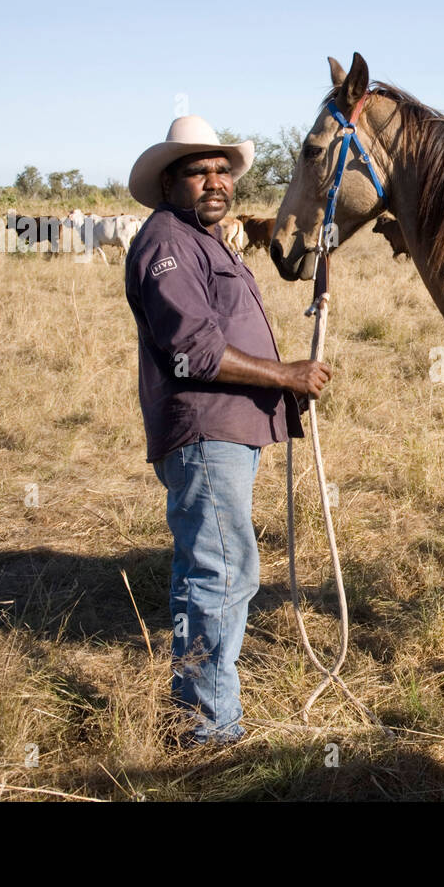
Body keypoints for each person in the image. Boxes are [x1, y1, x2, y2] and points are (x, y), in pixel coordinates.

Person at [124, 115, 331, 746]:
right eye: (198, 171)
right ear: (169, 183)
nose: (215, 181)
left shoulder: (205, 241)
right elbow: (193, 350)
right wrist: (286, 375)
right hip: (205, 430)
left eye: (222, 170)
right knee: (221, 569)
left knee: (213, 566)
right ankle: (207, 728)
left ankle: (199, 713)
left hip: (228, 430)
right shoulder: (166, 244)